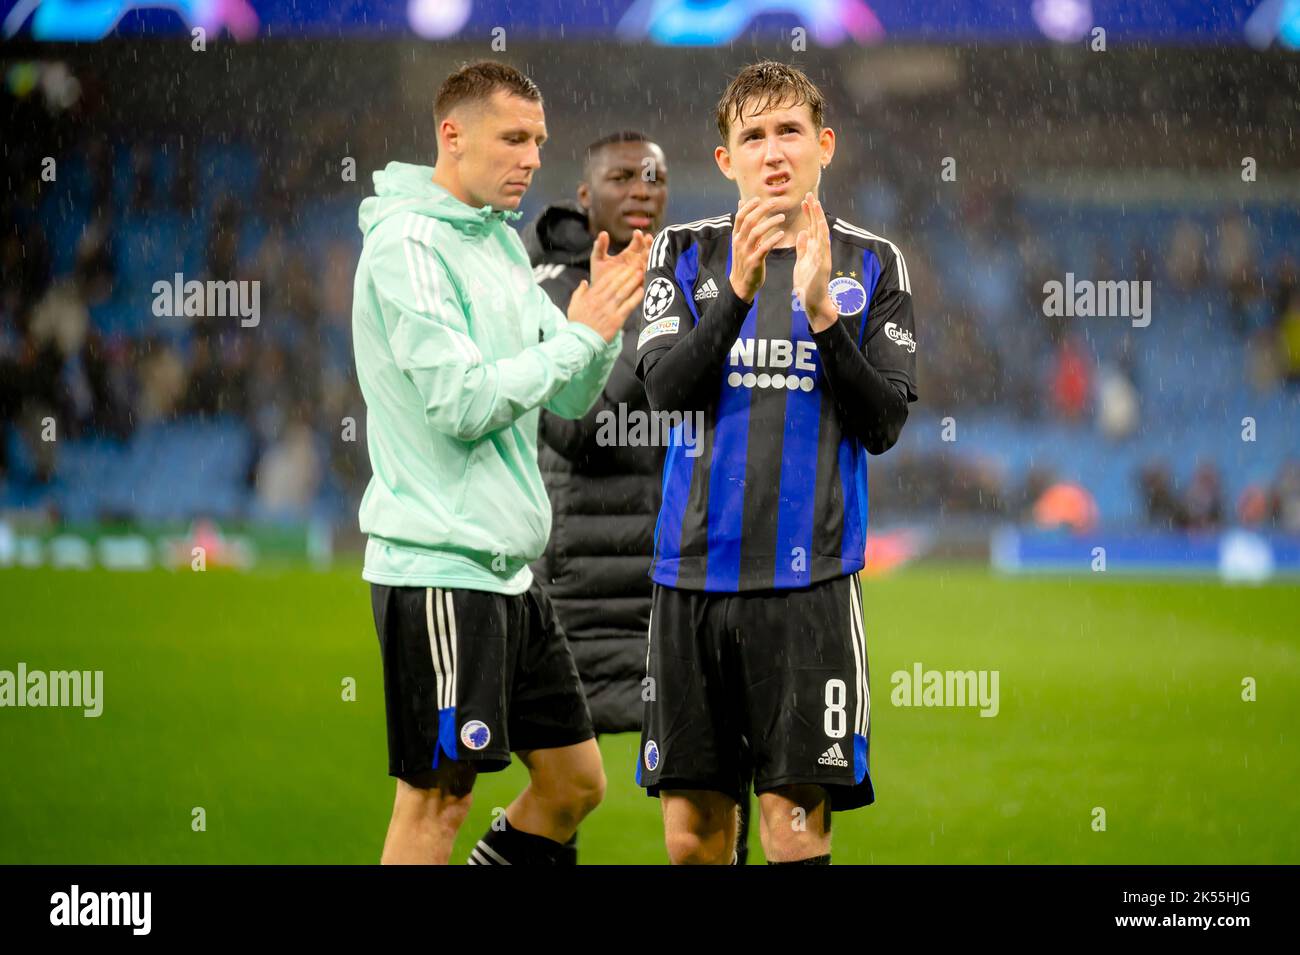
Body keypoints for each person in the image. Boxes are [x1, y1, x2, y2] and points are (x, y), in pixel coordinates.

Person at [351, 60, 649, 865]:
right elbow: (461, 403)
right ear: (452, 135)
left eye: (539, 141)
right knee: (437, 805)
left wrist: (600, 324)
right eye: (512, 138)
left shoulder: (498, 244)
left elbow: (572, 397)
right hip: (441, 567)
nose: (530, 157)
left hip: (511, 575)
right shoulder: (408, 245)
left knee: (575, 783)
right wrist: (577, 342)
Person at [633, 61, 918, 864]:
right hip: (691, 579)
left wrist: (824, 314)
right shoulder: (683, 253)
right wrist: (736, 292)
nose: (773, 151)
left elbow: (884, 422)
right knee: (692, 840)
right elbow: (666, 396)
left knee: (794, 830)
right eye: (752, 136)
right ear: (725, 160)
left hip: (811, 588)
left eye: (790, 131)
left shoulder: (873, 266)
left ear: (824, 146)